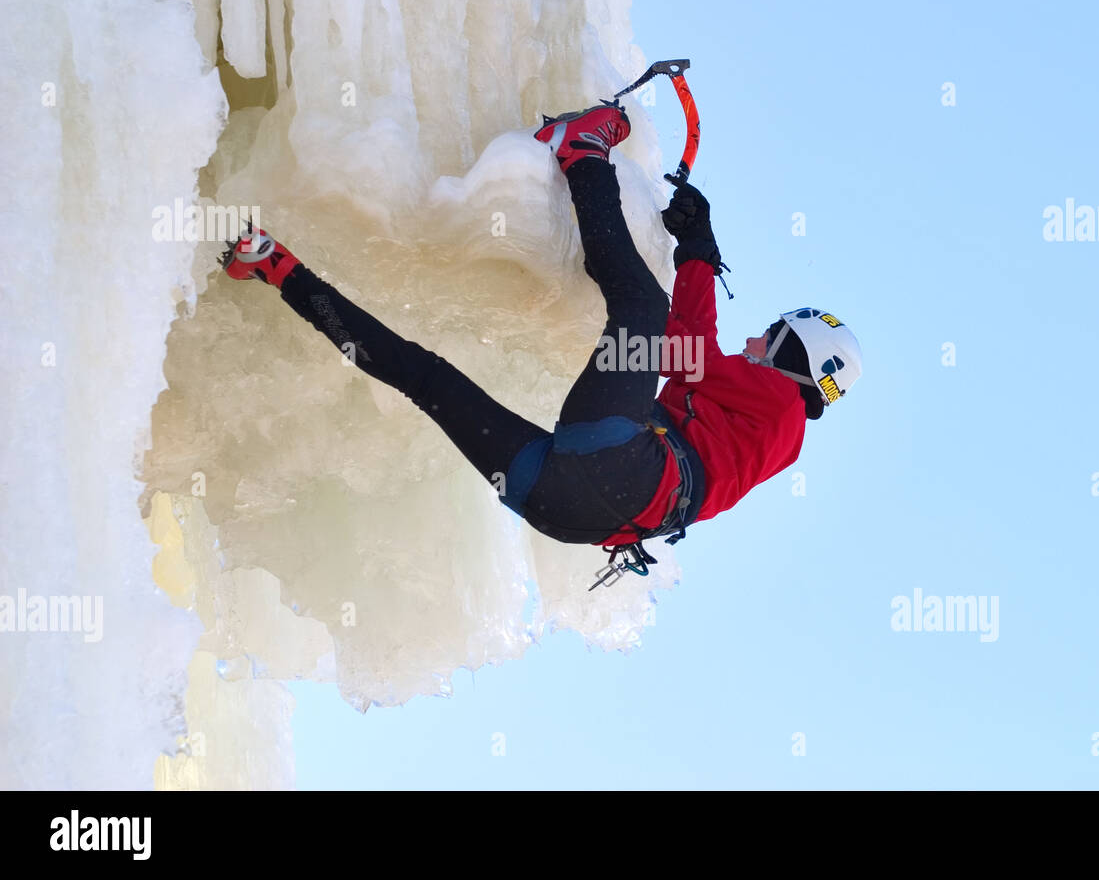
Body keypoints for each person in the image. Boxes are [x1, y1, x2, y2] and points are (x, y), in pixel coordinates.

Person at [221, 101, 862, 584]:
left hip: (625, 468)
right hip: (563, 508)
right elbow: (686, 366)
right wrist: (696, 248)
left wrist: (698, 252)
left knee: (641, 306)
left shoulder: (781, 408)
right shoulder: (756, 431)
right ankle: (273, 266)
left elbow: (682, 351)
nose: (754, 338)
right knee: (426, 379)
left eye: (770, 336)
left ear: (796, 356)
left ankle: (581, 151)